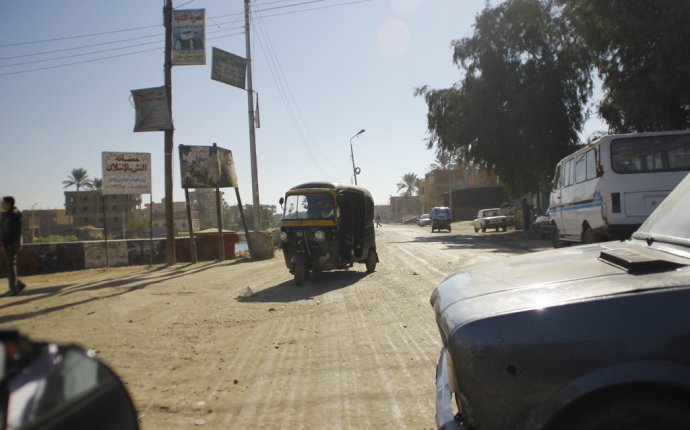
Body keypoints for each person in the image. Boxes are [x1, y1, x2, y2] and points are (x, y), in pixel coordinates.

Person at [1, 196, 26, 296]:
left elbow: (11, 232)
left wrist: (4, 243)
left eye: (3, 203)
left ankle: (14, 288)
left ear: (8, 204)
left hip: (10, 244)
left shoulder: (13, 215)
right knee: (7, 266)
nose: (1, 204)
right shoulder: (6, 214)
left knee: (10, 266)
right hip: (6, 243)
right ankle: (17, 285)